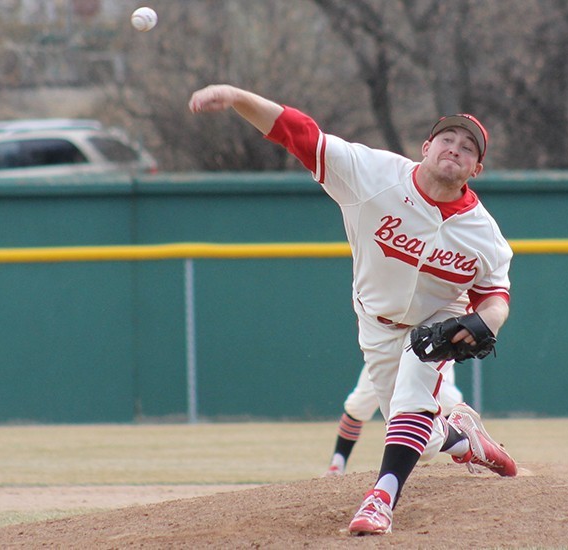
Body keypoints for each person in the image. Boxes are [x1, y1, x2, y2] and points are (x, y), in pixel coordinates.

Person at [188, 84, 516, 536]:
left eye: (467, 148)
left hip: (437, 322)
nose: (454, 150)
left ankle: (381, 500)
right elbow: (298, 133)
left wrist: (483, 321)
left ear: (476, 169)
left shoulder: (484, 234)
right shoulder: (373, 174)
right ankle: (463, 440)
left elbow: (496, 294)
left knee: (415, 389)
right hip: (377, 324)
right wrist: (236, 97)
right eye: (446, 140)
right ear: (425, 147)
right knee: (419, 436)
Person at [323, 362, 463, 477]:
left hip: (426, 345)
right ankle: (337, 464)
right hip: (389, 346)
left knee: (448, 402)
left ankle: (469, 440)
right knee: (359, 405)